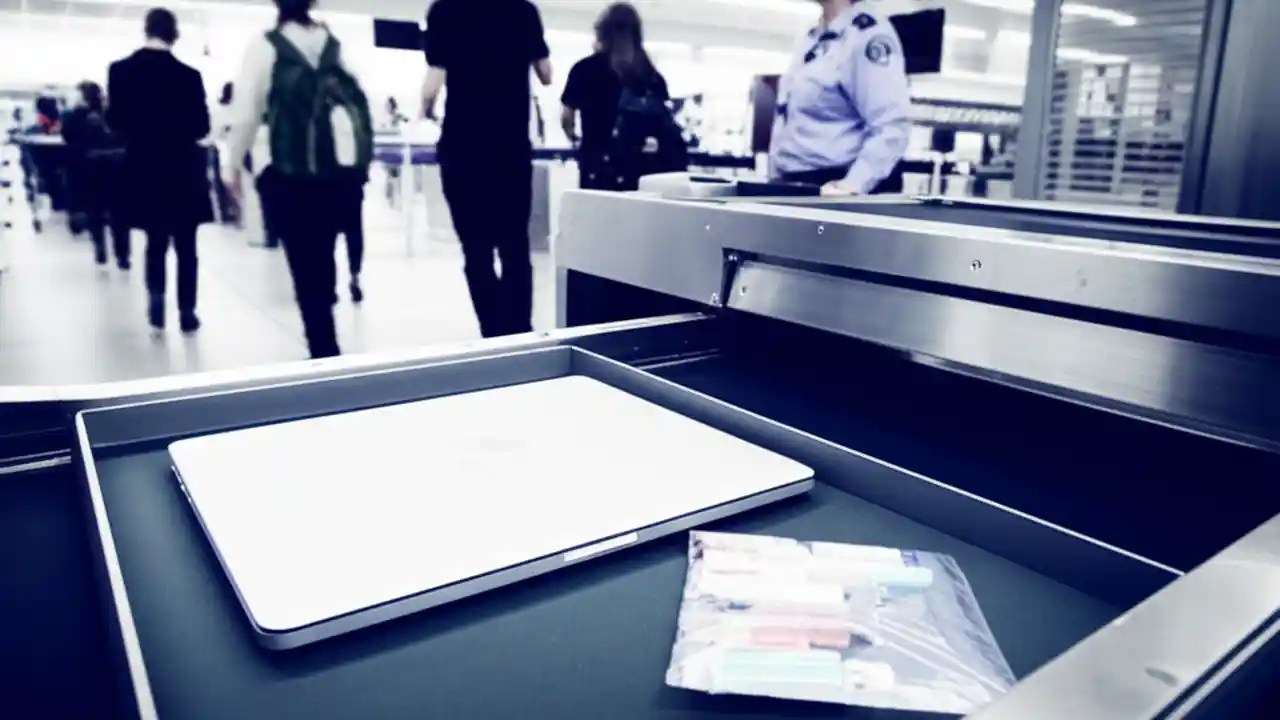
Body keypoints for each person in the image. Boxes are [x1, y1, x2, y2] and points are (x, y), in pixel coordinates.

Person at [224, 0, 373, 359]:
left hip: (292, 176)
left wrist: (231, 166)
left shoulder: (265, 46)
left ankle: (323, 347)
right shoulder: (335, 46)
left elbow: (246, 113)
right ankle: (327, 332)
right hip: (339, 176)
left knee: (305, 265)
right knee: (324, 254)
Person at [422, 0, 552, 338]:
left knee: (476, 250)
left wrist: (429, 110)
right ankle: (519, 330)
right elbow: (546, 75)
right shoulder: (522, 11)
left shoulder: (445, 11)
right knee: (515, 246)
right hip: (510, 149)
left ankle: (492, 331)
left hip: (462, 151)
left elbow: (432, 86)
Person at [108, 8, 213, 332]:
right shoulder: (189, 76)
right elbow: (201, 126)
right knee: (187, 246)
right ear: (174, 33)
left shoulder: (121, 71)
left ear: (146, 30)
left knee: (155, 240)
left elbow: (116, 122)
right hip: (183, 169)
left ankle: (156, 298)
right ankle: (187, 309)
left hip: (143, 167)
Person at [769, 0, 911, 196]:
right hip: (793, 181)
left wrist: (853, 184)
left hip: (831, 187)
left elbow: (892, 125)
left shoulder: (867, 35)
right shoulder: (812, 36)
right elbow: (788, 118)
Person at [561, 2, 685, 191]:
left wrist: (576, 140)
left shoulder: (584, 70)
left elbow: (566, 118)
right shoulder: (651, 75)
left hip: (596, 167)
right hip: (640, 171)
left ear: (602, 32)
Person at [61, 81, 130, 268]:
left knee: (96, 213)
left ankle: (101, 249)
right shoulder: (113, 113)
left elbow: (68, 137)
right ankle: (122, 254)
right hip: (113, 168)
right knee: (118, 215)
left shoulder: (74, 117)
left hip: (90, 170)